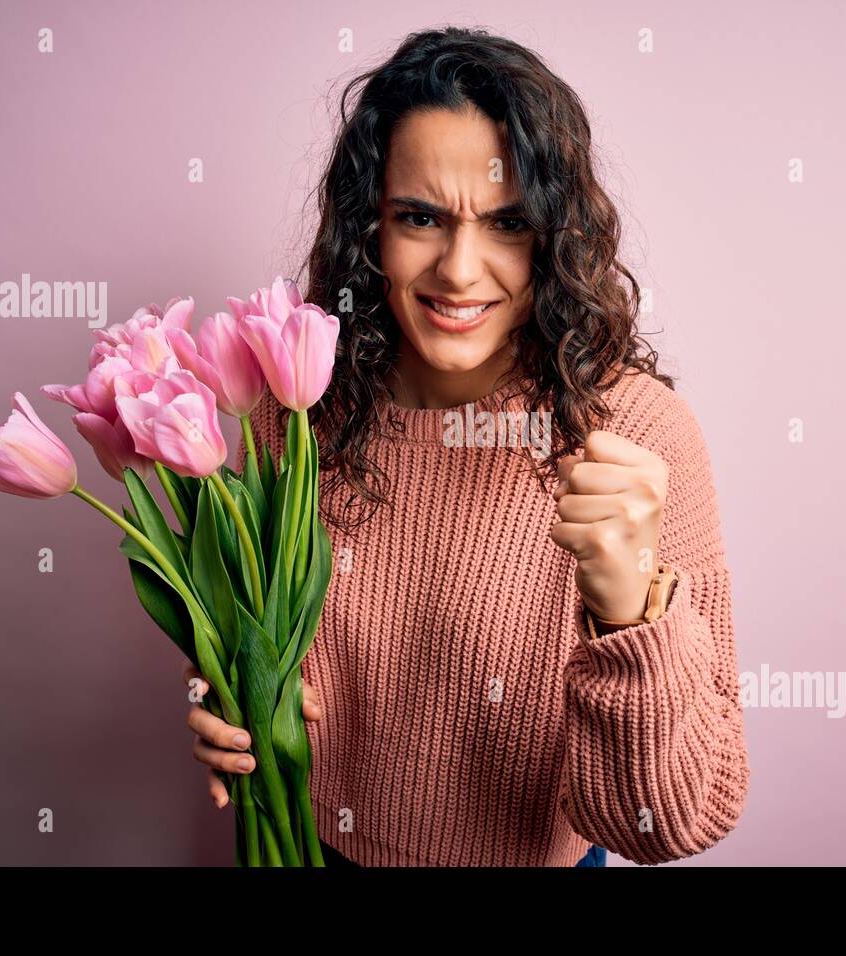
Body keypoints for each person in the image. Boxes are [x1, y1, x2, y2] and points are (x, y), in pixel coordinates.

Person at [183, 25, 750, 867]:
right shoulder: (292, 417)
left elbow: (667, 825)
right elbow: (257, 654)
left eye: (509, 223)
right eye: (420, 217)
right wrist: (229, 697)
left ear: (555, 238)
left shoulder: (637, 434)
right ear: (368, 230)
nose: (459, 268)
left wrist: (630, 612)